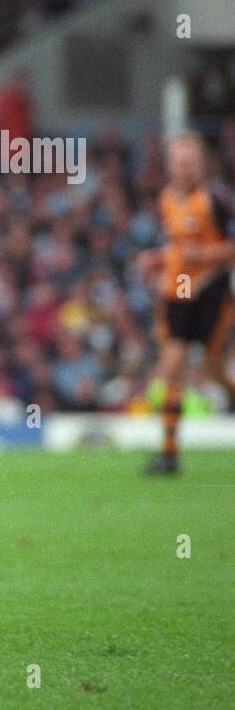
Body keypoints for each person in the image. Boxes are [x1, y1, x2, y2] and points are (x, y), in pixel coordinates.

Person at [137, 132, 235, 474]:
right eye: (180, 163)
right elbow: (178, 248)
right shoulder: (167, 200)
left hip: (211, 291)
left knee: (215, 371)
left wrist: (204, 254)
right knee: (172, 365)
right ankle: (169, 452)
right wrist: (158, 258)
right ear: (169, 166)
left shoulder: (215, 202)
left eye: (191, 163)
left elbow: (230, 249)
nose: (186, 169)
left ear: (202, 165)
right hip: (178, 291)